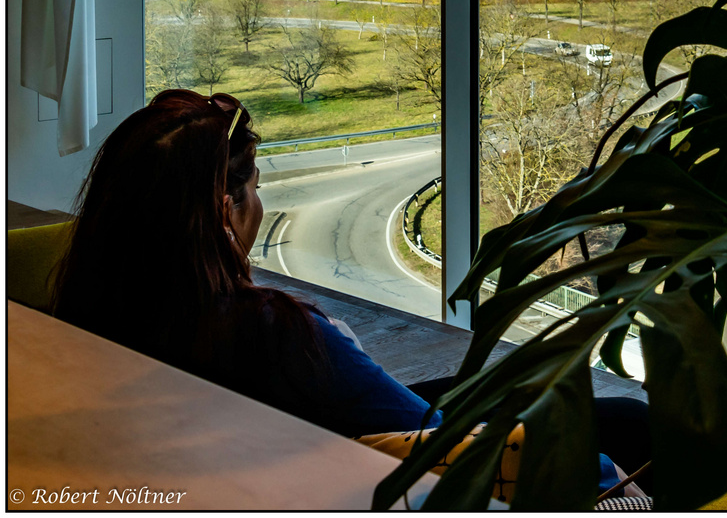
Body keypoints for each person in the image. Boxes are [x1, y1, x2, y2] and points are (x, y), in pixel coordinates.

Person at [52, 90, 648, 498]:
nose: (261, 205)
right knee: (626, 421)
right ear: (223, 209)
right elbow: (424, 447)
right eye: (255, 188)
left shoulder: (81, 312)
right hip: (384, 465)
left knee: (525, 389)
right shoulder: (282, 337)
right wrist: (606, 483)